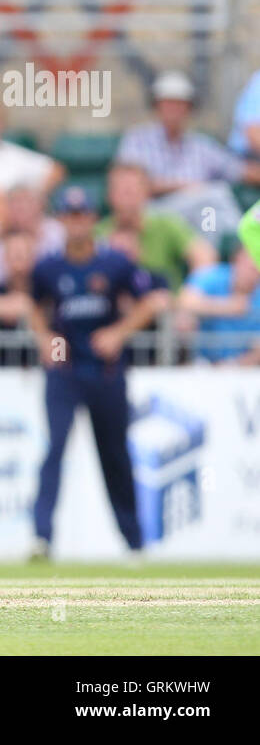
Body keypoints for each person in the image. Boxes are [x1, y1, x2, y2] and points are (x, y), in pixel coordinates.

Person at [27, 186, 158, 561]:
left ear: (93, 219)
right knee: (54, 449)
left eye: (82, 215)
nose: (76, 223)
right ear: (60, 220)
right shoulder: (48, 267)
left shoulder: (115, 263)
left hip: (106, 373)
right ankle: (41, 538)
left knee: (114, 455)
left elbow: (152, 300)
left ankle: (134, 543)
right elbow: (33, 306)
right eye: (69, 216)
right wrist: (46, 339)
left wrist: (119, 332)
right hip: (65, 373)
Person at [115, 70, 260, 235]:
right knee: (214, 196)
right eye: (168, 103)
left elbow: (239, 170)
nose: (173, 110)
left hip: (195, 216)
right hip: (151, 214)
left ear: (189, 108)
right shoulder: (137, 140)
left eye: (180, 104)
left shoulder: (202, 145)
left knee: (211, 211)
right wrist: (185, 187)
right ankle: (244, 242)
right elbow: (125, 186)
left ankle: (230, 246)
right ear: (156, 106)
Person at [95, 163, 215, 290]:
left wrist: (192, 291)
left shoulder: (165, 224)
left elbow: (204, 255)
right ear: (108, 195)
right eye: (120, 191)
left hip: (166, 299)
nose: (127, 199)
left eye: (131, 191)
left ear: (146, 193)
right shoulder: (98, 233)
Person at [177, 242, 260, 364]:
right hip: (201, 361)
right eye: (249, 265)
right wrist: (228, 307)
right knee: (184, 320)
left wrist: (232, 366)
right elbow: (184, 301)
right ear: (236, 260)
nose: (252, 272)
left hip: (240, 366)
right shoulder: (213, 275)